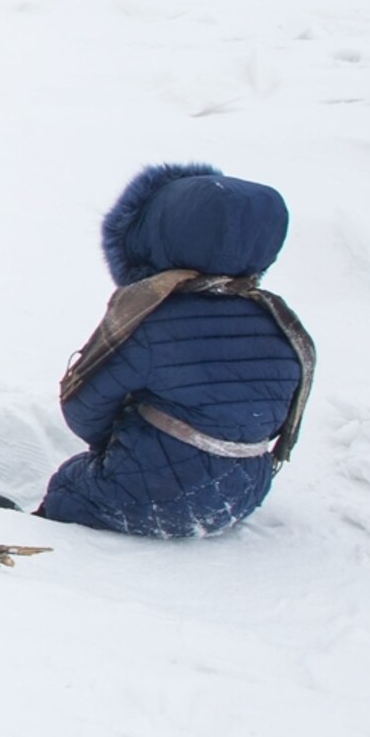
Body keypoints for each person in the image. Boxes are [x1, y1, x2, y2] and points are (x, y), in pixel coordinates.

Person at [33, 162, 314, 538]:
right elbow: (272, 417)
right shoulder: (280, 322)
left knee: (71, 485)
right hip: (244, 492)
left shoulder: (149, 316)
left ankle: (29, 529)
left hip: (150, 494)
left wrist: (117, 442)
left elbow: (84, 406)